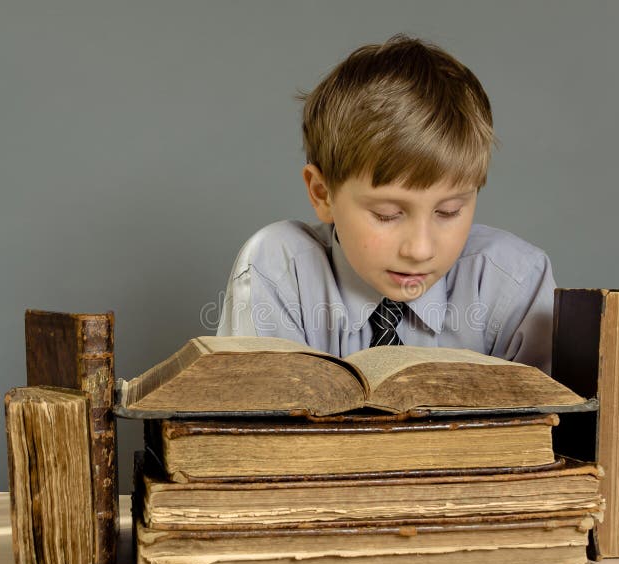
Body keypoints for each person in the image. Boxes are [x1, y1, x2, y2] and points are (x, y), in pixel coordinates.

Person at [217, 34, 556, 373]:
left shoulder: (515, 282)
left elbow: (557, 423)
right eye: (387, 214)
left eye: (448, 211)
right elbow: (260, 421)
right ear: (322, 194)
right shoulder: (280, 270)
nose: (420, 250)